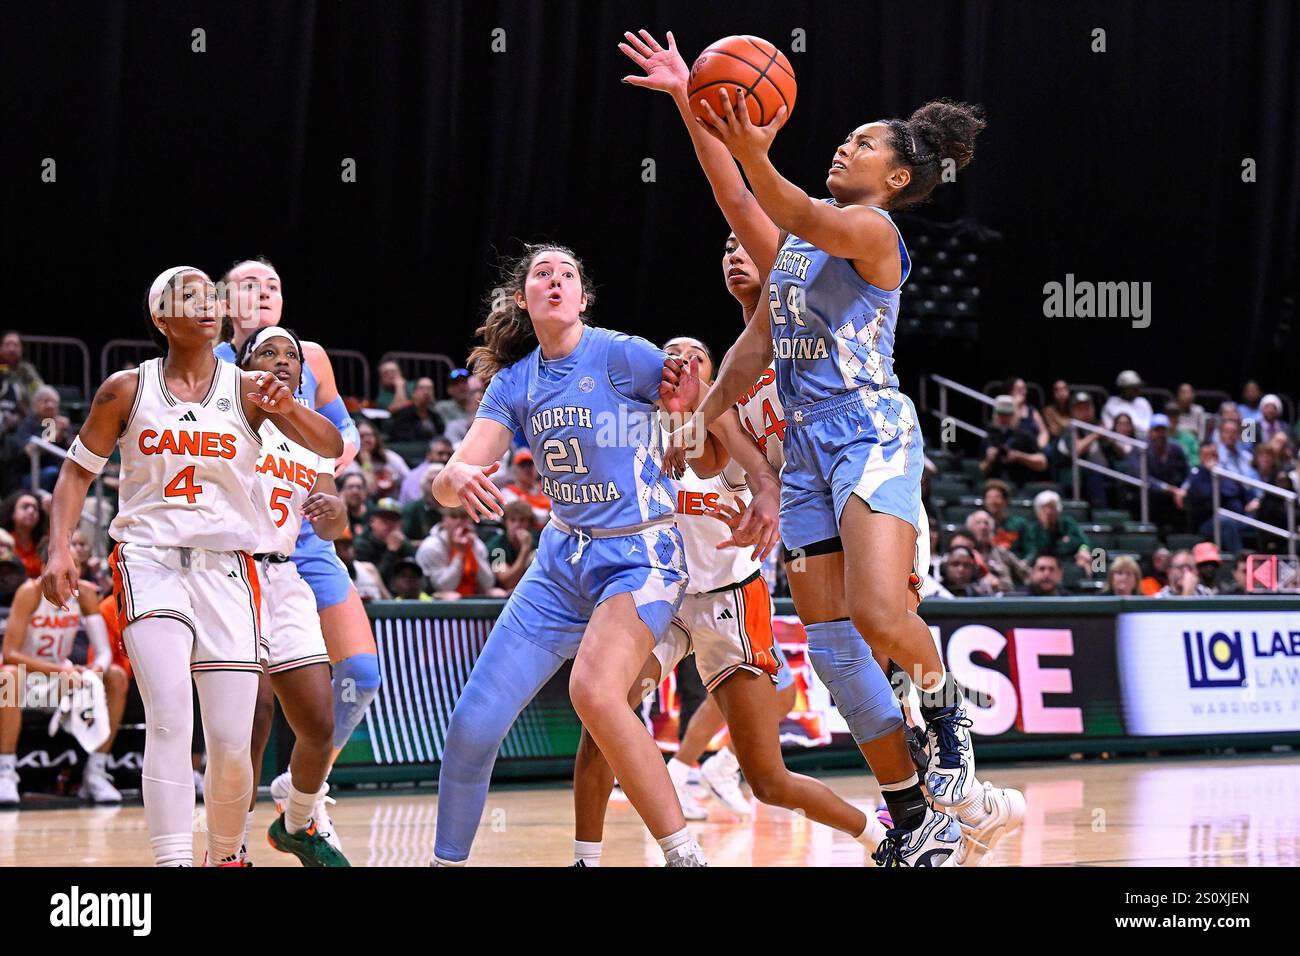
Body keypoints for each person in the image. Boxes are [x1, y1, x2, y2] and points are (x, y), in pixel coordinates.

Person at [625, 28, 1021, 866]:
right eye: (848, 137)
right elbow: (748, 338)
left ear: (898, 178)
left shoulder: (875, 235)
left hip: (870, 432)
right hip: (805, 455)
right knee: (839, 654)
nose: (848, 144)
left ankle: (948, 706)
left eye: (866, 143)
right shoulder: (797, 257)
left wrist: (748, 141)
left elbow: (783, 200)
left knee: (879, 613)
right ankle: (916, 819)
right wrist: (691, 108)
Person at [430, 243, 767, 867]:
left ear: (582, 298)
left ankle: (681, 854)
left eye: (567, 275)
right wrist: (456, 479)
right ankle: (445, 862)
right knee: (472, 728)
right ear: (524, 299)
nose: (555, 281)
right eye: (542, 274)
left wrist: (754, 477)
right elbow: (452, 476)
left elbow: (710, 420)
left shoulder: (624, 354)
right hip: (561, 560)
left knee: (594, 692)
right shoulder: (515, 382)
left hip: (642, 554)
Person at [42, 266, 342, 867]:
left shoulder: (249, 387)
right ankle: (173, 861)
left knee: (232, 743)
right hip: (149, 561)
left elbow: (329, 447)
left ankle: (227, 855)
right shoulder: (125, 389)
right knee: (171, 718)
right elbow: (76, 473)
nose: (205, 304)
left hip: (228, 569)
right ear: (160, 318)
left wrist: (289, 406)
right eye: (187, 296)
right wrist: (58, 547)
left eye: (211, 295)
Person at [573, 335, 898, 858]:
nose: (681, 361)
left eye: (697, 356)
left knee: (768, 779)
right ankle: (585, 856)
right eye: (671, 354)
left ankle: (876, 835)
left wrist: (695, 419)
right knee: (603, 714)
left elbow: (707, 464)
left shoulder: (732, 435)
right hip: (665, 601)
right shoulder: (636, 432)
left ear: (715, 376)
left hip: (732, 602)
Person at [216, 258, 380, 845]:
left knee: (360, 675)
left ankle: (303, 793)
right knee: (254, 708)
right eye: (248, 284)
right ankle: (229, 837)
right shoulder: (209, 366)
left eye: (274, 285)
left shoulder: (306, 355)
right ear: (222, 299)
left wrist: (336, 460)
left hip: (303, 541)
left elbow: (344, 428)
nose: (263, 292)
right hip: (240, 547)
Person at [238, 326, 349, 866]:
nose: (282, 361)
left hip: (284, 578)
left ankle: (298, 823)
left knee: (319, 726)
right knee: (253, 715)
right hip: (230, 574)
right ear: (245, 364)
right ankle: (231, 844)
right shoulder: (229, 416)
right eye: (268, 353)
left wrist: (335, 514)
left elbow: (330, 522)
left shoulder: (313, 438)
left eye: (291, 356)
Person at [0, 531, 127, 806]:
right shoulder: (30, 593)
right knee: (6, 678)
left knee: (115, 676)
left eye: (77, 567)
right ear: (49, 566)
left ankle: (96, 772)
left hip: (64, 680)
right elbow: (9, 655)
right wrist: (60, 672)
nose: (72, 574)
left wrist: (94, 670)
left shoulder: (85, 595)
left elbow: (104, 651)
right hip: (29, 681)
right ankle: (6, 773)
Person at [414, 507, 501, 599]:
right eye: (454, 517)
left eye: (464, 517)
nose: (460, 522)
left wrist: (471, 549)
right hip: (434, 597)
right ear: (444, 521)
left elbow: (488, 584)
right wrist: (460, 553)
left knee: (497, 593)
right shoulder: (432, 546)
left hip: (471, 595)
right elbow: (443, 587)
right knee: (453, 597)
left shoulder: (477, 544)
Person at [979, 394, 1048, 484]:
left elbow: (1042, 463)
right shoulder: (989, 436)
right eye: (1001, 414)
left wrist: (1019, 456)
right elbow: (981, 469)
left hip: (1020, 485)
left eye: (1008, 414)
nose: (1004, 418)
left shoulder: (1025, 435)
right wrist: (989, 460)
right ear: (995, 415)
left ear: (1015, 414)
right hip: (995, 484)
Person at [13, 386, 71, 491]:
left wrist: (63, 435)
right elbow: (31, 451)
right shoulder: (27, 424)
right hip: (30, 475)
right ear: (35, 405)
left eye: (53, 402)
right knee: (54, 473)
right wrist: (53, 432)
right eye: (45, 401)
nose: (50, 405)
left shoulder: (61, 424)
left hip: (59, 471)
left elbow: (72, 451)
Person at [353, 497, 417, 588]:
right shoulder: (362, 544)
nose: (389, 524)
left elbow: (415, 577)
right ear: (372, 522)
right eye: (384, 519)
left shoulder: (403, 543)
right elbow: (371, 583)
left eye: (393, 520)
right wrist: (391, 551)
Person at [1016, 489, 1090, 564]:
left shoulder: (1068, 524)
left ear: (1058, 510)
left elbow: (1084, 542)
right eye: (1044, 508)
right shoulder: (1032, 530)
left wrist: (1083, 549)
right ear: (1037, 512)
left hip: (1066, 564)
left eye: (1052, 507)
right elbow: (1031, 552)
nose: (1048, 512)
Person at [345, 420, 409, 498]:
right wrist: (366, 463)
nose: (366, 439)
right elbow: (371, 491)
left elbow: (409, 480)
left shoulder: (390, 457)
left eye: (369, 435)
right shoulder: (350, 463)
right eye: (361, 436)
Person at [484, 499, 537, 592]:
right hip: (501, 594)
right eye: (513, 520)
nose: (517, 525)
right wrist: (525, 550)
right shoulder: (496, 546)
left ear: (529, 523)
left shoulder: (538, 542)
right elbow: (507, 582)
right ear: (505, 522)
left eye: (522, 520)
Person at [0, 332, 46, 433]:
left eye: (15, 345)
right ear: (1, 348)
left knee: (49, 420)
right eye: (7, 344)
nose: (12, 349)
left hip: (24, 416)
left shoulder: (27, 370)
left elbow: (40, 389)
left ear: (21, 349)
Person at [0, 490, 48, 578]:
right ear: (12, 513)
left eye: (35, 508)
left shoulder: (44, 542)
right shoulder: (2, 540)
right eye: (25, 507)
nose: (31, 511)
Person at [500, 448, 551, 527]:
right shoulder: (508, 491)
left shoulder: (547, 489)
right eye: (523, 466)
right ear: (515, 470)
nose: (527, 469)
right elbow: (541, 518)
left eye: (530, 465)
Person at [398, 436, 453, 505]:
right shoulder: (415, 476)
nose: (445, 458)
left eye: (449, 454)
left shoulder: (451, 473)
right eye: (440, 453)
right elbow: (417, 503)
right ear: (428, 455)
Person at [388, 377, 445, 443]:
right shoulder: (403, 415)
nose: (426, 392)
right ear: (413, 393)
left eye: (429, 388)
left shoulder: (435, 416)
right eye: (421, 388)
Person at [334, 534, 389, 601]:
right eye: (337, 549)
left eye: (346, 547)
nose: (343, 554)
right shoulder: (329, 576)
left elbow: (388, 599)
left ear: (353, 548)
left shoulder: (368, 569)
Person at [1102, 370, 1153, 437]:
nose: (1136, 389)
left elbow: (1149, 425)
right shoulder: (1112, 404)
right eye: (1132, 387)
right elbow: (1109, 428)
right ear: (1122, 388)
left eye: (1137, 386)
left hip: (1143, 440)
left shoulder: (1143, 402)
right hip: (1120, 441)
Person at [401, 464, 444, 540]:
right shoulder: (412, 509)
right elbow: (403, 539)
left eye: (441, 481)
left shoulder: (453, 509)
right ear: (423, 484)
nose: (436, 485)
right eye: (432, 481)